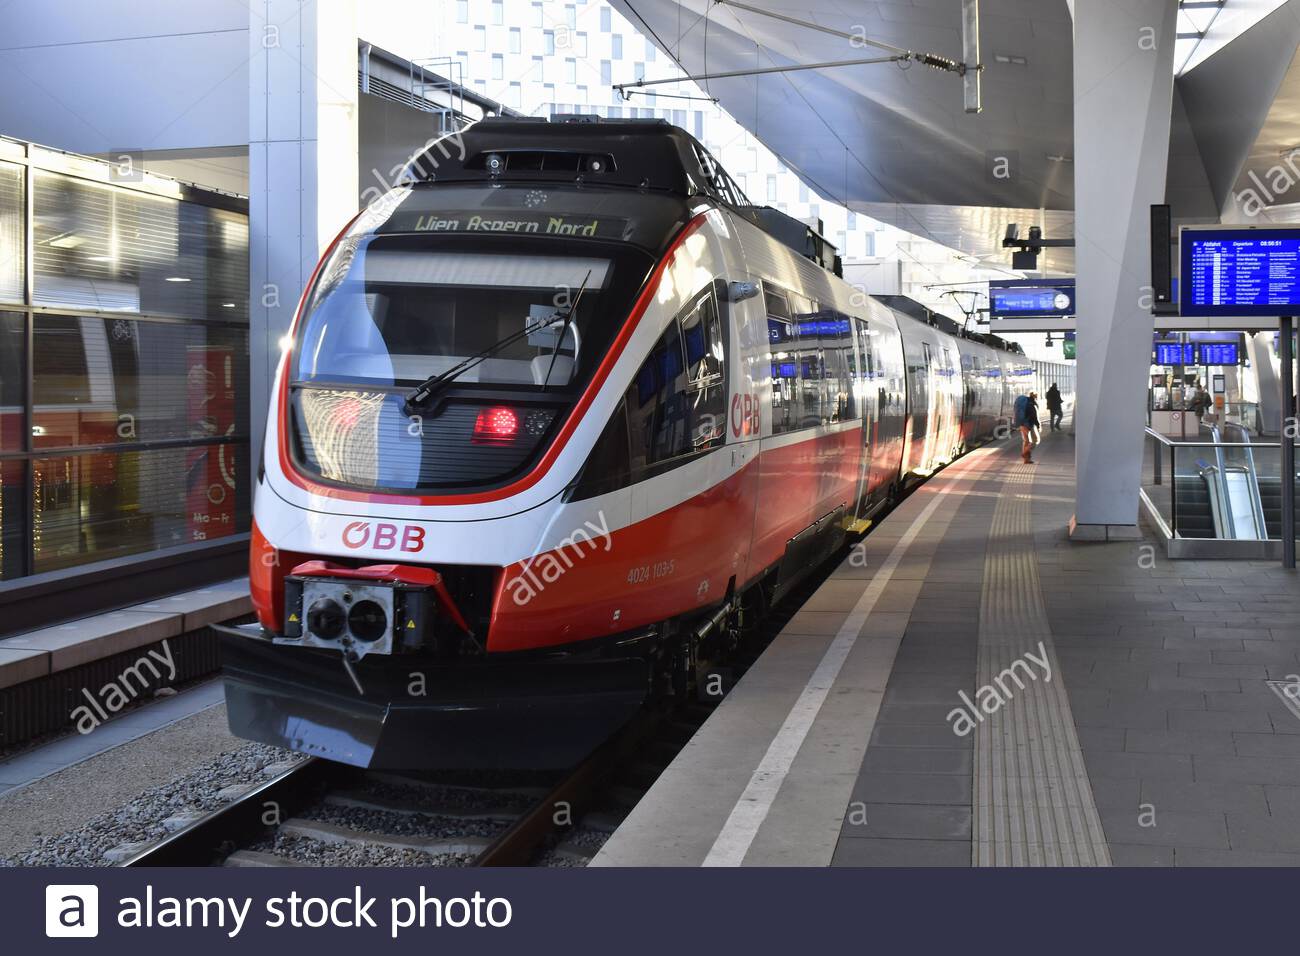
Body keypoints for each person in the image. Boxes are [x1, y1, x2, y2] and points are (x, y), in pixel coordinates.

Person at [1013, 391, 1041, 464]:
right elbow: (1034, 417)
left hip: (1021, 424)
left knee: (1026, 441)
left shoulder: (1026, 402)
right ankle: (1024, 453)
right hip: (1028, 425)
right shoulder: (1031, 404)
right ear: (1035, 397)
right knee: (1035, 441)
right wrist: (1038, 426)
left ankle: (1026, 460)